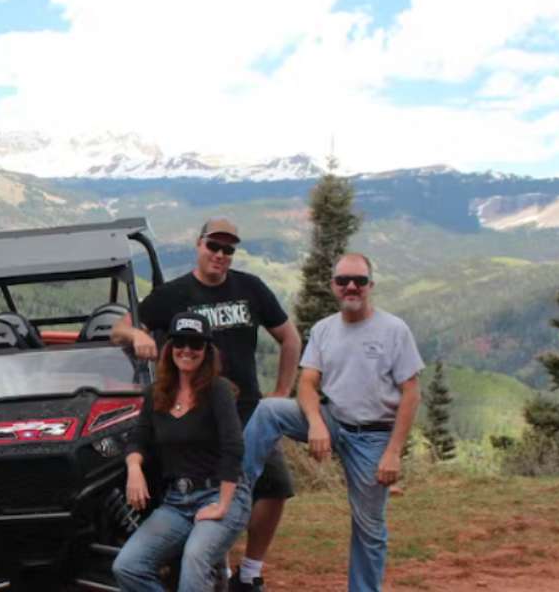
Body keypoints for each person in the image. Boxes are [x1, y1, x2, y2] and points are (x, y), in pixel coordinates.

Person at [111, 217, 301, 591]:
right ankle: (219, 568)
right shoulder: (173, 294)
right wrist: (136, 332)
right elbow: (119, 329)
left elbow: (290, 338)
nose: (220, 254)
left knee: (273, 487)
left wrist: (280, 392)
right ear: (198, 245)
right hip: (194, 417)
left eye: (228, 249)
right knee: (210, 491)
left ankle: (249, 571)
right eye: (213, 246)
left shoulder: (251, 287)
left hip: (248, 412)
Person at [234, 253, 422, 592]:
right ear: (333, 286)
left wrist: (394, 452)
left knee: (369, 529)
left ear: (371, 286)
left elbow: (411, 393)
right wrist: (316, 423)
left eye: (360, 281)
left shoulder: (394, 330)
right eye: (343, 281)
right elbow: (307, 383)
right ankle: (236, 490)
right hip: (333, 418)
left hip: (373, 436)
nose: (351, 287)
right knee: (270, 410)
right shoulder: (324, 329)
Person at [112, 312, 246, 592]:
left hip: (219, 494)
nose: (187, 350)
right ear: (169, 347)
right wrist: (134, 468)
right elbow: (138, 439)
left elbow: (233, 447)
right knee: (128, 566)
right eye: (180, 342)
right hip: (176, 502)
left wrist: (222, 505)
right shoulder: (156, 393)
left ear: (206, 352)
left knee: (194, 561)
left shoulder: (218, 390)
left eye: (196, 344)